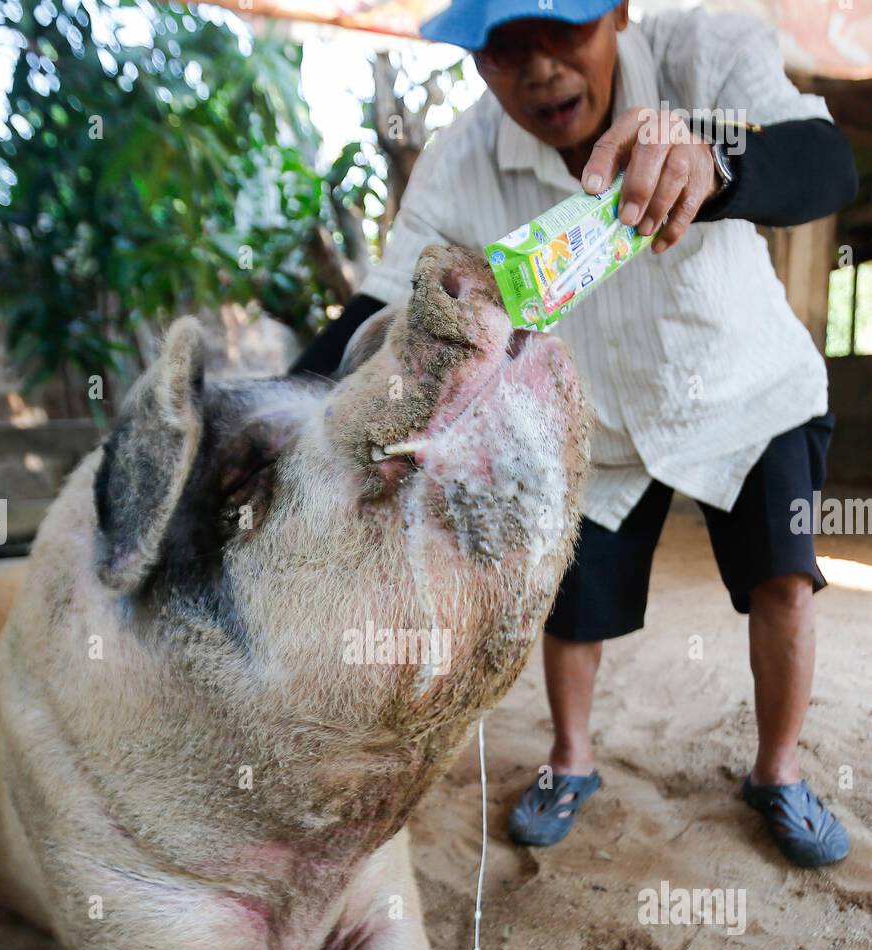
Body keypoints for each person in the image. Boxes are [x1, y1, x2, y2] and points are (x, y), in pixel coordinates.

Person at [291, 0, 858, 868]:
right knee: (572, 607)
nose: (542, 68)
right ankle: (571, 760)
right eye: (508, 48)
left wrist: (717, 162)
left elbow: (826, 165)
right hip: (595, 426)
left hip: (750, 395)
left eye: (564, 32)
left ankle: (777, 774)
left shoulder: (704, 53)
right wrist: (277, 410)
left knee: (784, 583)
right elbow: (383, 301)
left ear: (620, 13)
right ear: (476, 59)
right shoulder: (463, 160)